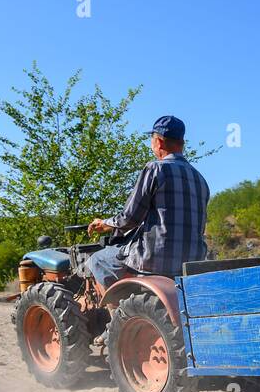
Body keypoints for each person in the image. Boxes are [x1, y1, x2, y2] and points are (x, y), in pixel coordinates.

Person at [87, 115, 210, 287]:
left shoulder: (156, 168)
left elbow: (130, 219)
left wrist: (105, 224)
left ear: (158, 142)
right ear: (181, 143)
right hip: (192, 261)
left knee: (98, 260)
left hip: (154, 259)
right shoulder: (200, 179)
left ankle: (119, 311)